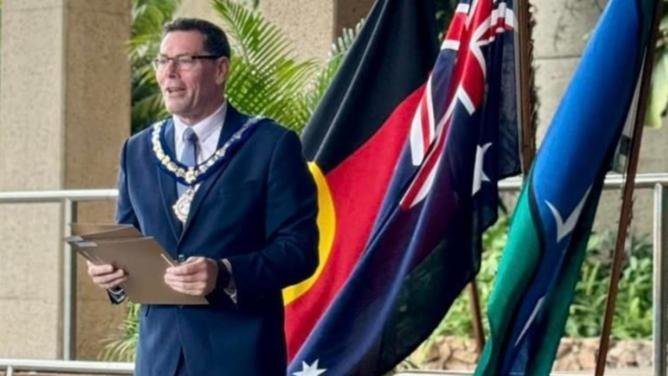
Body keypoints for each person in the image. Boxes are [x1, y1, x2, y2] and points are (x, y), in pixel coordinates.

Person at [86, 17, 318, 376]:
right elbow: (129, 240)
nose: (169, 73)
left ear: (221, 69)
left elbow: (299, 251)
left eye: (185, 60)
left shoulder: (270, 145)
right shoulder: (136, 151)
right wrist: (112, 275)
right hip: (159, 358)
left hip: (241, 356)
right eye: (162, 61)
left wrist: (224, 273)